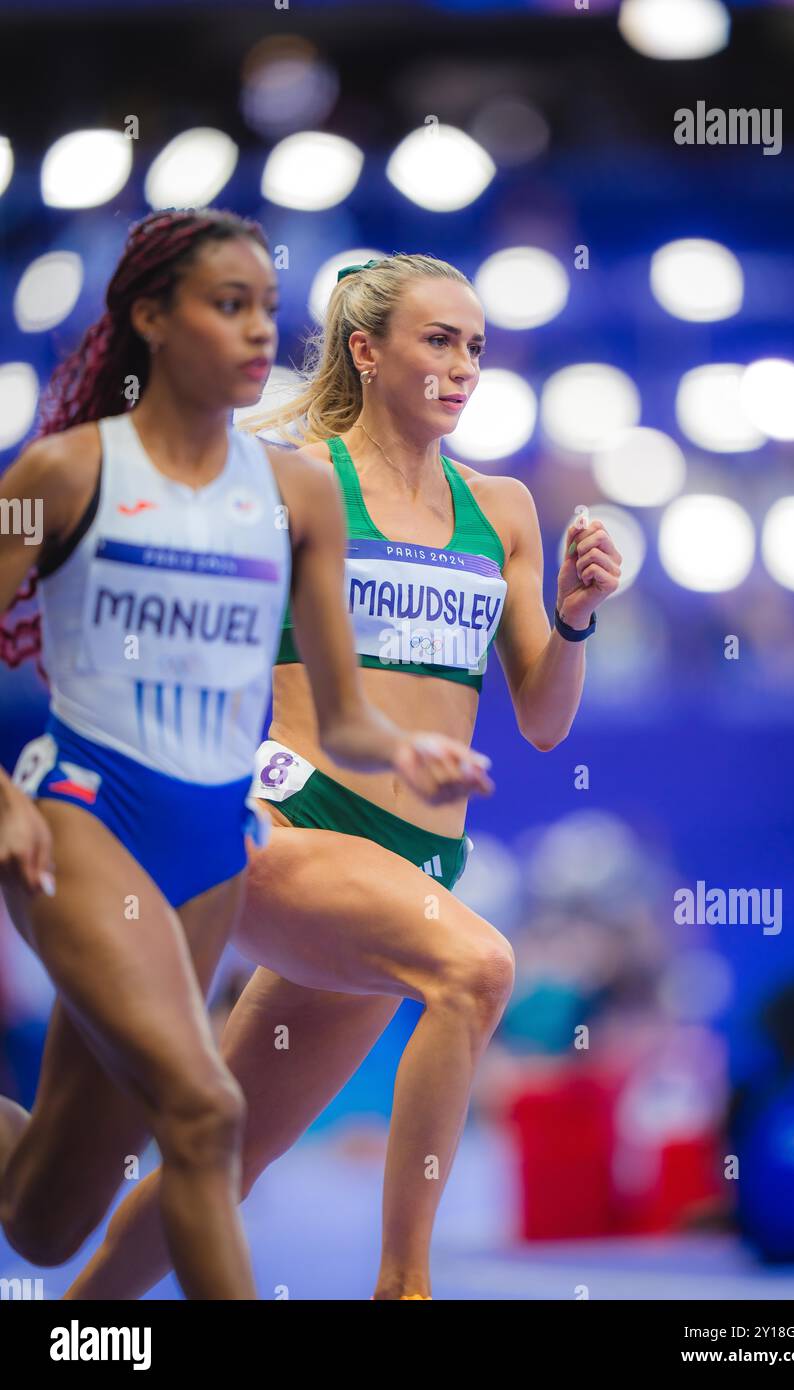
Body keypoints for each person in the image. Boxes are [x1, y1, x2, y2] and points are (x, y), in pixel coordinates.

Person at [64, 251, 621, 1301]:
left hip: (413, 867)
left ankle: (77, 1325)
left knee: (226, 1161)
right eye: (437, 341)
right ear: (365, 352)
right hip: (287, 825)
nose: (463, 367)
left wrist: (573, 616)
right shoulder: (286, 477)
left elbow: (543, 721)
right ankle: (402, 1286)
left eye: (475, 348)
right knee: (476, 969)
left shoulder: (498, 509)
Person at [0, 223, 492, 1300]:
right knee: (207, 1116)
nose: (259, 329)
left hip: (213, 838)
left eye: (266, 307)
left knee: (46, 1213)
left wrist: (407, 748)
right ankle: (399, 1288)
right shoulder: (56, 469)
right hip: (89, 811)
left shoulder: (291, 493)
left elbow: (345, 707)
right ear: (151, 319)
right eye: (229, 304)